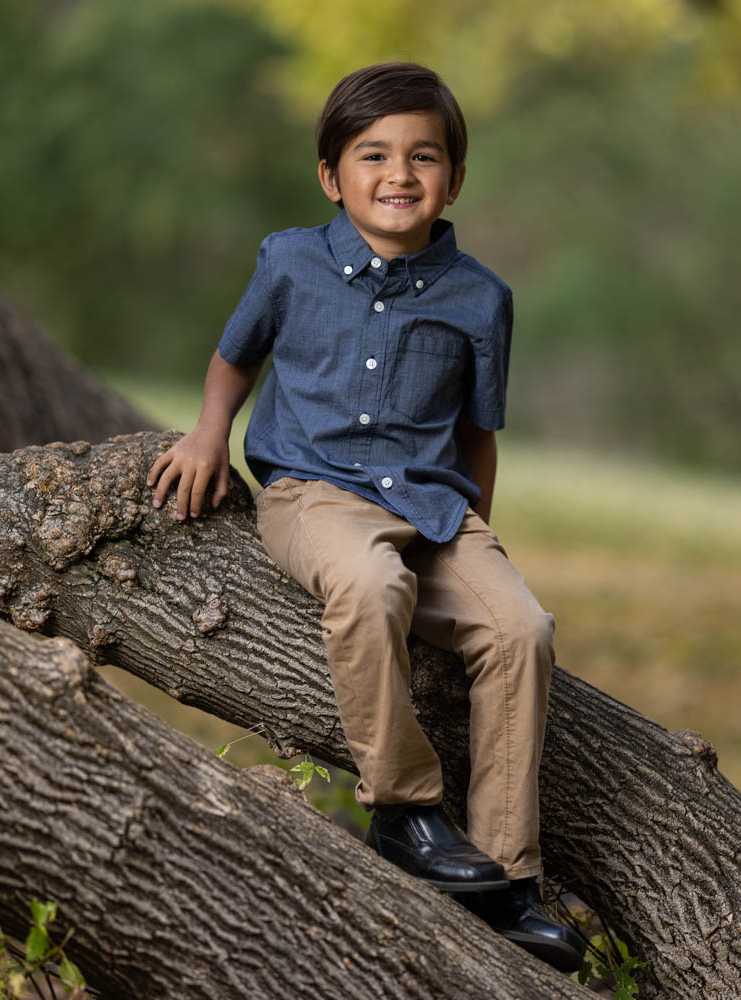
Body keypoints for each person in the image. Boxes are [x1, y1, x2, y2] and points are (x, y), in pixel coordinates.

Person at [146, 62, 586, 973]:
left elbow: (478, 437)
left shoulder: (481, 299)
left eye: (423, 156)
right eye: (373, 155)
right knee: (367, 578)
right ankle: (404, 809)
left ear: (454, 179)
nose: (399, 174)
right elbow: (235, 357)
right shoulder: (289, 261)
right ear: (330, 175)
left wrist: (482, 550)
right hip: (313, 496)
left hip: (433, 509)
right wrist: (205, 435)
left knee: (521, 628)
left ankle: (505, 879)